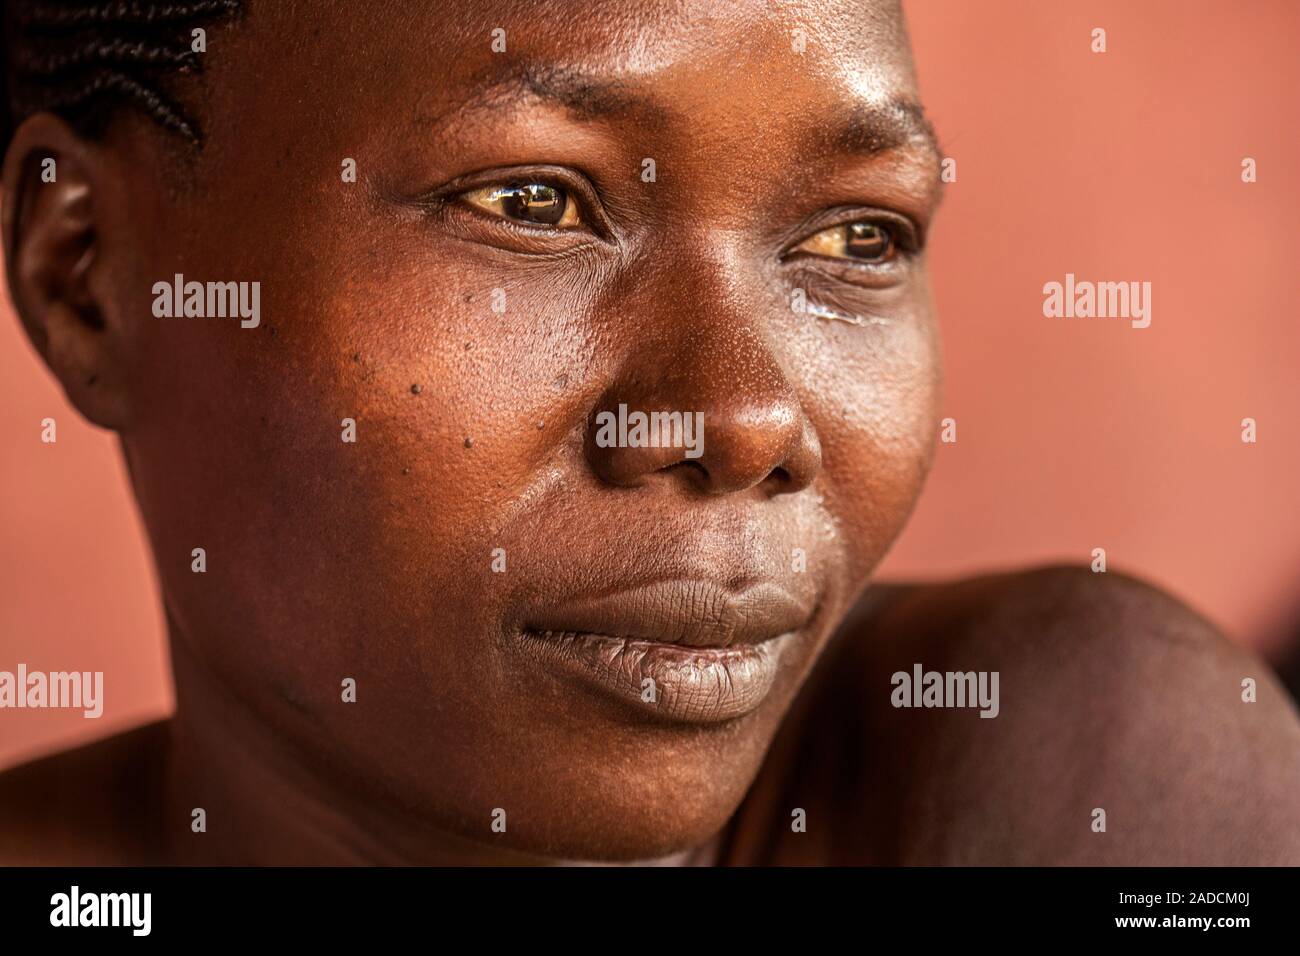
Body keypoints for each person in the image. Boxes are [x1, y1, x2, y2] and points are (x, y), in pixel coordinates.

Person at [0, 0, 1295, 866]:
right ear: (89, 279)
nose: (741, 421)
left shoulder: (1073, 754)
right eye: (532, 201)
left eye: (856, 236)